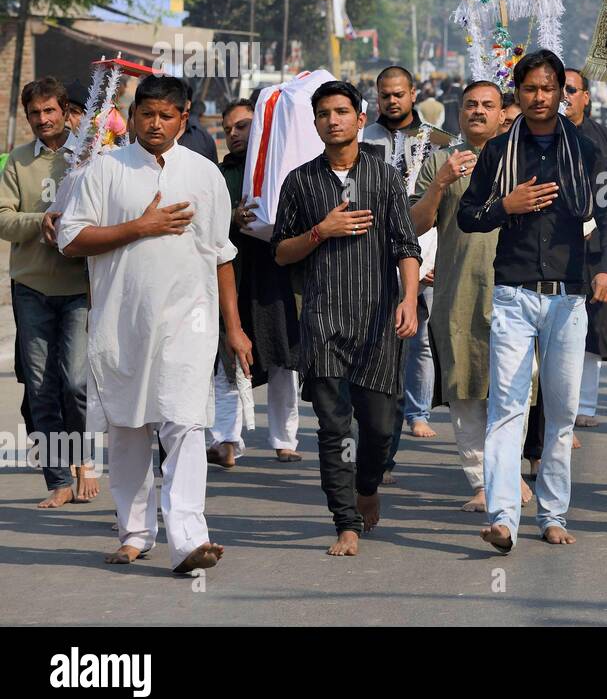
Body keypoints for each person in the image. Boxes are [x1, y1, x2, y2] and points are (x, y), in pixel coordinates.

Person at [58, 75, 248, 571]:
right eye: (148, 114)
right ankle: (135, 533)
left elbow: (221, 255)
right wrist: (139, 227)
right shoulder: (104, 169)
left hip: (190, 322)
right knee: (128, 428)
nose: (156, 124)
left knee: (185, 424)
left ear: (185, 118)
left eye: (167, 115)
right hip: (120, 324)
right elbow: (71, 240)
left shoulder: (204, 174)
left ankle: (188, 539)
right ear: (135, 115)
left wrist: (233, 326)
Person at [458, 50, 607, 552]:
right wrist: (503, 207)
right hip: (512, 293)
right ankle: (504, 517)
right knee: (507, 408)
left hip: (569, 297)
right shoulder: (499, 151)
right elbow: (468, 215)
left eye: (550, 88)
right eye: (530, 88)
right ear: (519, 93)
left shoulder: (590, 150)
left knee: (561, 410)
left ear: (562, 93)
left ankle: (552, 513)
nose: (540, 97)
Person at [271, 80, 423, 557]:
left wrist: (409, 297)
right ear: (315, 124)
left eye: (341, 112)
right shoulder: (299, 181)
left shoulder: (384, 178)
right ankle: (346, 522)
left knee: (379, 428)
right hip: (323, 325)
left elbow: (406, 244)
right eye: (323, 114)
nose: (332, 120)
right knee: (334, 429)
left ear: (360, 119)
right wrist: (321, 230)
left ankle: (369, 485)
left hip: (378, 322)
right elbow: (280, 252)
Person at [409, 80, 533, 511]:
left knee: (513, 388)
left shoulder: (522, 162)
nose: (478, 111)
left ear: (503, 114)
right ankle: (481, 481)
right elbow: (415, 226)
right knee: (464, 388)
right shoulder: (441, 161)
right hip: (458, 292)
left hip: (515, 292)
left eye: (488, 105)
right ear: (459, 113)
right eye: (470, 105)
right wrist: (440, 184)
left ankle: (508, 472)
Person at [0, 78, 94, 507]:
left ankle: (83, 461)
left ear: (63, 110)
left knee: (74, 383)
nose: (43, 120)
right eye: (34, 113)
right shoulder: (17, 162)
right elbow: (2, 218)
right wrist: (40, 221)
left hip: (78, 287)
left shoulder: (90, 155)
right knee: (40, 386)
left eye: (49, 111)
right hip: (31, 286)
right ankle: (58, 480)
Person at [362, 66, 451, 481]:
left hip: (423, 258)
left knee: (414, 347)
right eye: (385, 95)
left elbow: (443, 207)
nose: (392, 101)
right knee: (373, 358)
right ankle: (370, 451)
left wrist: (430, 260)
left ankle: (389, 450)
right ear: (377, 97)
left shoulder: (440, 142)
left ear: (414, 93)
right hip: (368, 261)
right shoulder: (363, 139)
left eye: (399, 93)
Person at [210, 98, 302, 468]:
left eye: (242, 126)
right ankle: (226, 441)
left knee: (282, 359)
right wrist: (230, 216)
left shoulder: (281, 168)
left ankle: (284, 438)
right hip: (231, 274)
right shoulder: (218, 174)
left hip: (274, 274)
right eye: (228, 128)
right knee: (229, 360)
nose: (233, 134)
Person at [564, 68, 607, 428]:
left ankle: (585, 404)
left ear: (586, 96)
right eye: (561, 89)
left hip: (596, 247)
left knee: (596, 323)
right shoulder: (540, 137)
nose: (565, 96)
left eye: (572, 90)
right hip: (555, 247)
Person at [178, 79, 219, 163]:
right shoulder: (153, 135)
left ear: (188, 104)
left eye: (178, 99)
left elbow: (212, 174)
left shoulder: (205, 140)